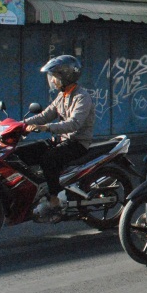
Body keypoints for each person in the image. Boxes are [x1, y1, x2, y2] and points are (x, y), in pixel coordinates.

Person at [23, 55, 95, 222]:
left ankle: (56, 199)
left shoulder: (81, 97)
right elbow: (45, 115)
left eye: (54, 76)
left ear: (66, 76)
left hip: (77, 143)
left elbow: (74, 123)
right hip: (62, 140)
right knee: (25, 153)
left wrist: (47, 128)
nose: (52, 80)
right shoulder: (62, 96)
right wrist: (19, 125)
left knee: (49, 159)